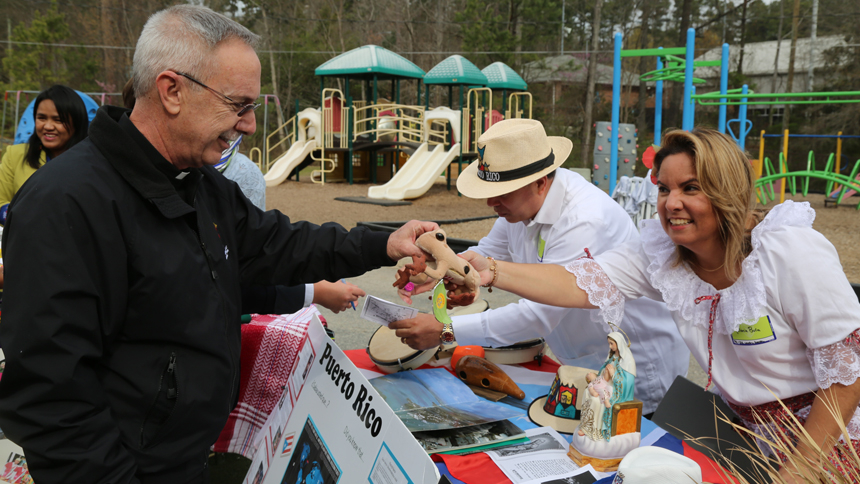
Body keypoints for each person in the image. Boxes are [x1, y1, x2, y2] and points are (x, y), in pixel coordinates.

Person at [0, 6, 435, 484]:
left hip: (181, 458)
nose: (249, 124)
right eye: (239, 104)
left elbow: (280, 244)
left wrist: (385, 243)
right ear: (172, 91)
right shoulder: (65, 204)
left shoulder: (197, 182)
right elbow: (53, 397)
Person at [456, 128, 860, 482]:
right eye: (664, 189)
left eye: (691, 188)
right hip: (746, 435)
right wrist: (490, 270)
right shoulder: (664, 257)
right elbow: (576, 280)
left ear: (728, 190)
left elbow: (846, 375)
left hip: (828, 437)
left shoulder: (788, 250)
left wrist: (798, 472)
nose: (671, 203)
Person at [390, 119, 689, 416]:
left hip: (638, 369)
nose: (490, 201)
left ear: (540, 182)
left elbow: (538, 315)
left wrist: (446, 331)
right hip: (586, 360)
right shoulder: (522, 206)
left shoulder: (584, 219)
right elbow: (485, 255)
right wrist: (438, 268)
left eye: (502, 192)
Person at [124, 78, 365, 314]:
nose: (249, 126)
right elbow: (217, 280)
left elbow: (258, 249)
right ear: (170, 96)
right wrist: (314, 292)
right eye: (236, 105)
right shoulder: (116, 195)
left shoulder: (209, 177)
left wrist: (380, 245)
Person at [0, 84, 89, 223]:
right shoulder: (15, 155)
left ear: (77, 122)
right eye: (41, 118)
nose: (48, 126)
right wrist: (16, 216)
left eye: (58, 120)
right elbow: (1, 202)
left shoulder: (92, 162)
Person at [578, 332, 635, 440]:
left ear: (619, 343)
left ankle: (596, 429)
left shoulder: (628, 361)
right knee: (587, 392)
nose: (610, 346)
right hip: (605, 383)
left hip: (616, 390)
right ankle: (586, 426)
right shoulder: (612, 357)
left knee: (596, 401)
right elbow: (603, 373)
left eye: (612, 344)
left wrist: (613, 374)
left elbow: (628, 383)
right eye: (609, 343)